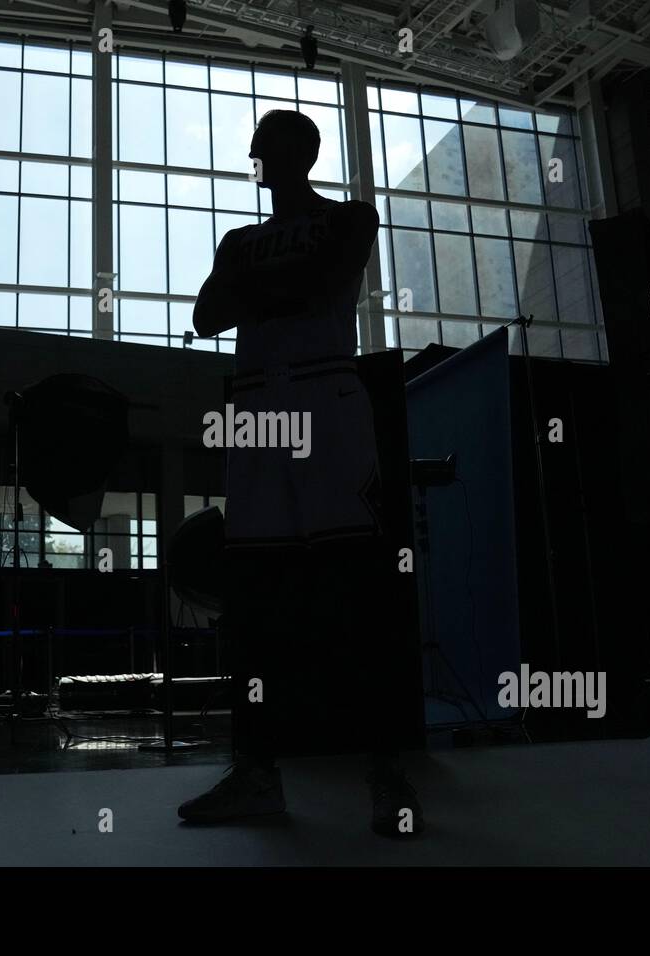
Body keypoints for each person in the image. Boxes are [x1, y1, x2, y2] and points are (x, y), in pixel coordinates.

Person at [179, 110, 424, 837]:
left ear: (302, 153)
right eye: (257, 148)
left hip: (324, 395)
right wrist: (272, 291)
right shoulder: (239, 239)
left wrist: (255, 292)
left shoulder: (351, 217)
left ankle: (385, 770)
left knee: (352, 586)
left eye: (269, 146)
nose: (259, 157)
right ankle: (258, 771)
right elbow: (204, 316)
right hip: (255, 408)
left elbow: (315, 284)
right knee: (256, 595)